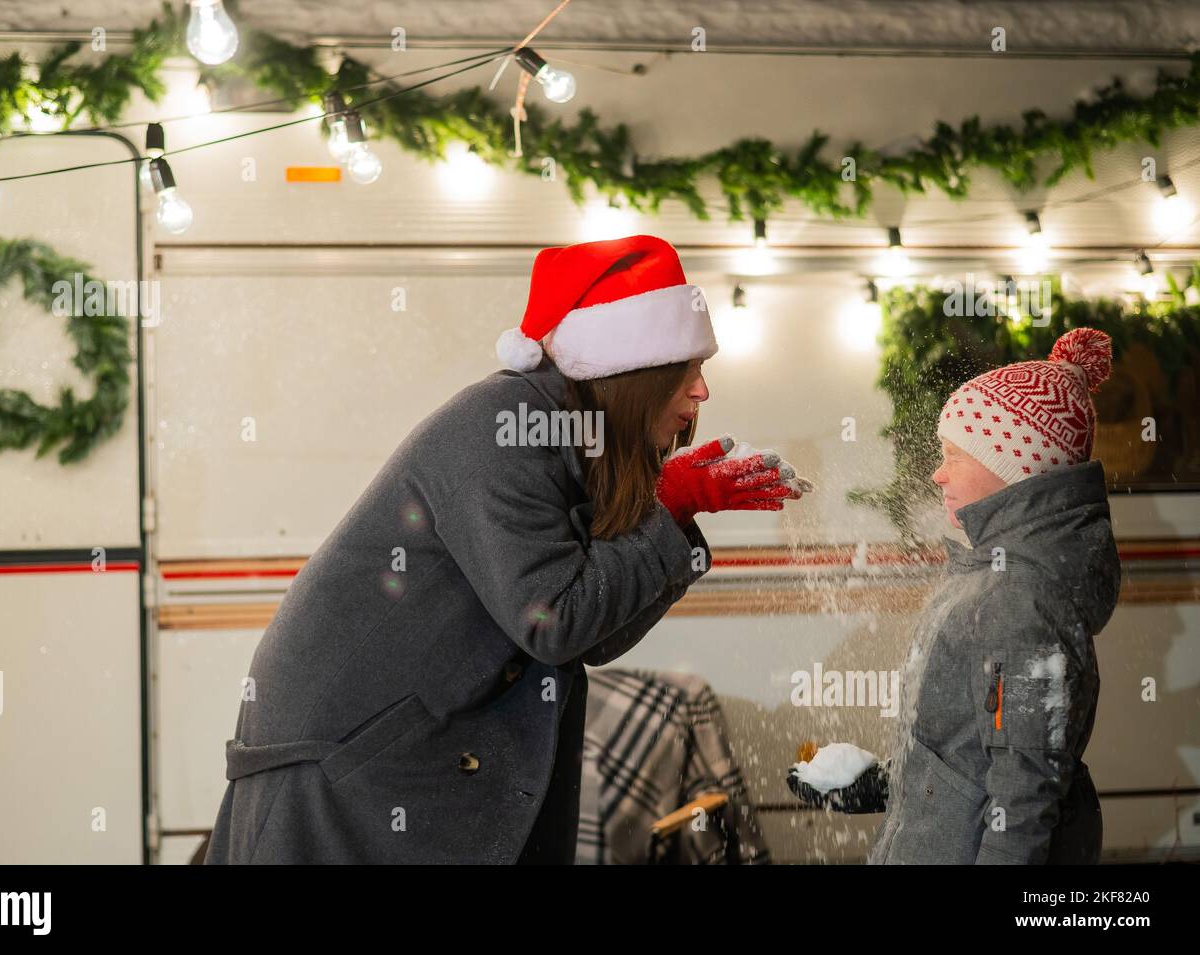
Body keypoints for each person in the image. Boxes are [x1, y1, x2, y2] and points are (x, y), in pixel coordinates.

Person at [205, 234, 805, 864]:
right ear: (635, 375)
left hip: (396, 756)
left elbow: (594, 637)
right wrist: (669, 511)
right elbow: (555, 621)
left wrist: (674, 521)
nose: (702, 393)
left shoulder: (572, 439)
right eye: (688, 372)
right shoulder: (502, 428)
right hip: (347, 770)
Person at [789, 327, 1121, 864]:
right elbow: (973, 757)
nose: (937, 473)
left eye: (954, 457)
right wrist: (884, 785)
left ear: (1014, 471)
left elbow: (1023, 796)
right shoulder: (989, 573)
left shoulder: (1018, 599)